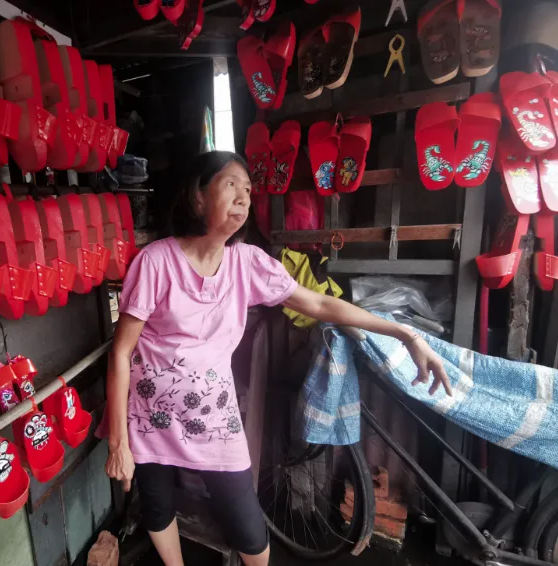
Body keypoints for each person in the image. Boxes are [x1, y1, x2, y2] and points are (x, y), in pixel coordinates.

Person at [105, 151, 452, 566]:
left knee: (250, 532)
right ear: (198, 198)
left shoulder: (248, 263)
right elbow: (122, 350)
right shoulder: (156, 262)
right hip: (149, 418)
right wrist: (118, 442)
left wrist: (405, 332)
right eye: (230, 183)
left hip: (215, 422)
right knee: (158, 508)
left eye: (248, 189)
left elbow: (321, 305)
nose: (243, 196)